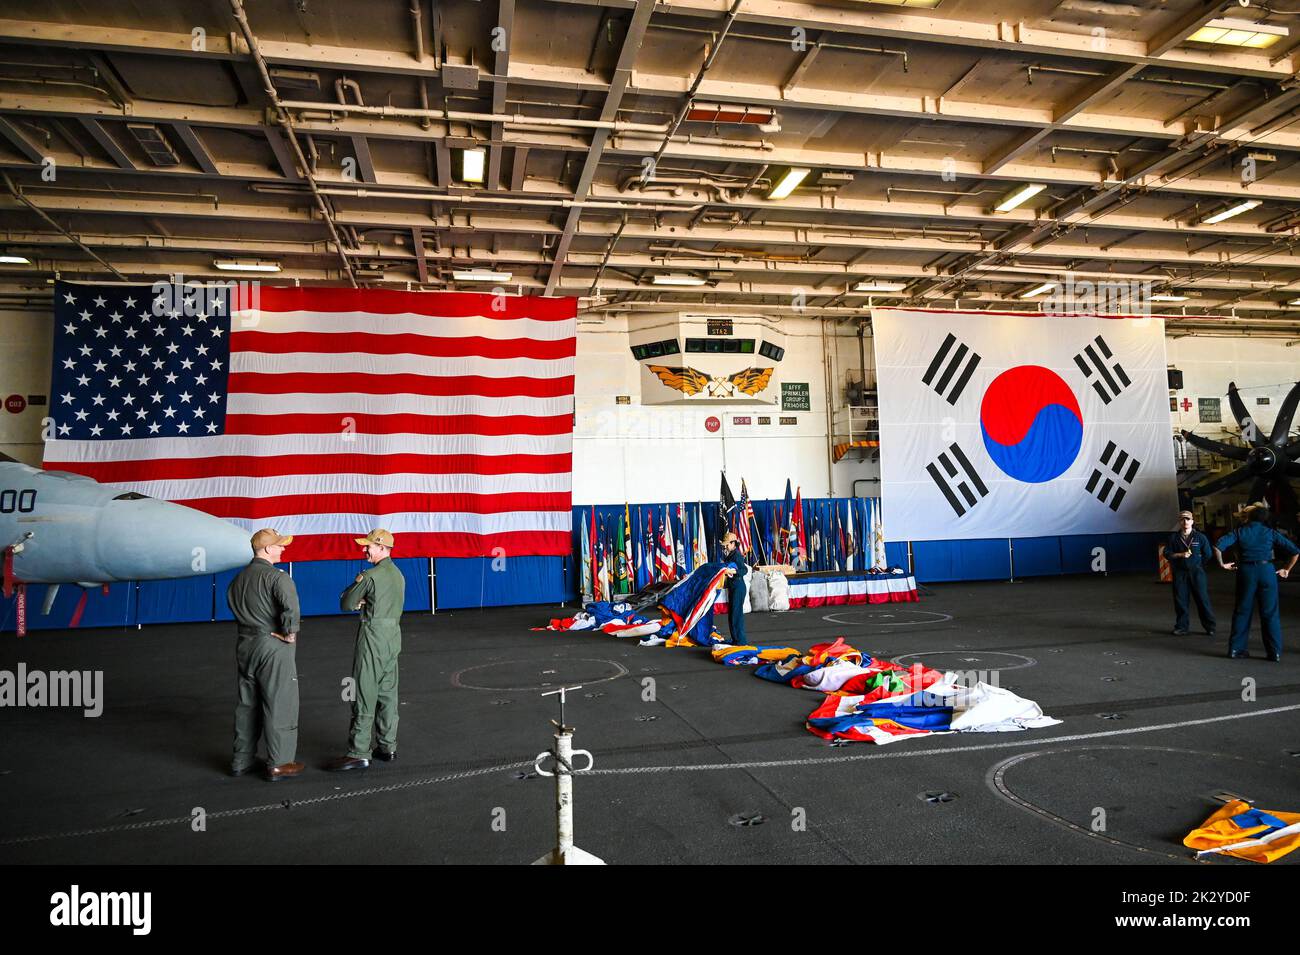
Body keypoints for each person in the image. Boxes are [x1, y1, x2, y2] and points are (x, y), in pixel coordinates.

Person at [226, 528, 303, 781]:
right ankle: (280, 763)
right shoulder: (278, 578)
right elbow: (291, 610)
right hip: (272, 645)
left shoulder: (238, 580)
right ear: (268, 549)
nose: (283, 548)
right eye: (279, 545)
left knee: (247, 704)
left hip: (245, 644)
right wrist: (289, 635)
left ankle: (241, 760)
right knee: (280, 703)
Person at [326, 529, 406, 771]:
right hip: (393, 635)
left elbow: (346, 603)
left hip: (373, 635)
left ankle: (359, 751)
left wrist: (357, 599)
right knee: (388, 692)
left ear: (382, 548)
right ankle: (387, 745)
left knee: (364, 690)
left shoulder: (370, 576)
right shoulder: (398, 575)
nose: (365, 550)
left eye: (369, 546)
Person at [1214, 503, 1300, 661]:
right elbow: (1295, 551)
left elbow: (1218, 546)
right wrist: (1286, 569)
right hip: (1267, 570)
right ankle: (1274, 653)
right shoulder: (1270, 532)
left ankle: (1236, 650)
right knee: (1270, 613)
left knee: (1242, 611)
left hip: (1246, 572)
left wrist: (1221, 564)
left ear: (1250, 517)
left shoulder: (1239, 531)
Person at [1163, 510, 1216, 637]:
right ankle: (1182, 627)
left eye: (1187, 519)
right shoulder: (1174, 538)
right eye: (1182, 519)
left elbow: (1208, 554)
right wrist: (1180, 555)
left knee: (1203, 600)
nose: (1185, 522)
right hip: (1180, 573)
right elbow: (1167, 554)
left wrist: (1197, 564)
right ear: (1179, 522)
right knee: (1181, 600)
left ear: (1192, 521)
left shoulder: (1200, 537)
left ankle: (1210, 627)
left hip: (1197, 573)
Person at [719, 531, 750, 645]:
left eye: (727, 544)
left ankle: (740, 641)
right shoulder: (730, 555)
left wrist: (733, 571)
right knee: (732, 614)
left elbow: (744, 570)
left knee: (736, 615)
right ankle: (735, 639)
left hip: (738, 587)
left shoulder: (737, 555)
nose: (726, 547)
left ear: (733, 543)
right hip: (733, 587)